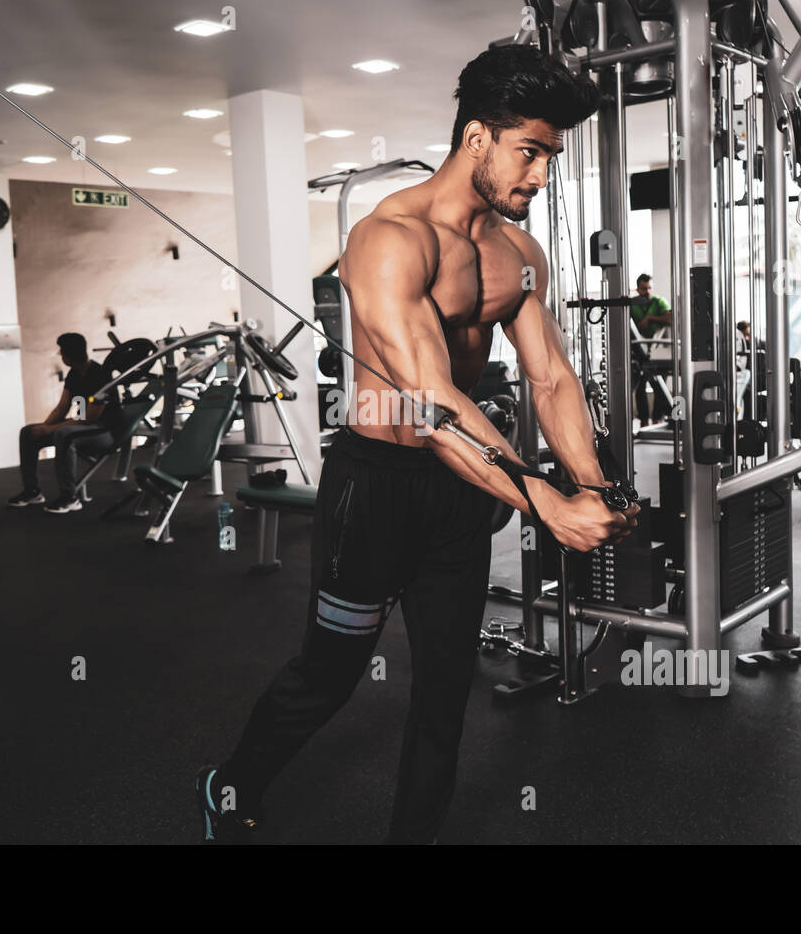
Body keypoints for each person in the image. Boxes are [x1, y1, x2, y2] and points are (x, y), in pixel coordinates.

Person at [196, 44, 638, 845]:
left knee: (444, 687)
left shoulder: (519, 257)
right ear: (478, 137)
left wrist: (594, 485)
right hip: (376, 487)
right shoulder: (388, 239)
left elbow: (551, 380)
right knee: (328, 677)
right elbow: (431, 405)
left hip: (458, 497)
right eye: (529, 152)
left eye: (549, 156)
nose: (540, 175)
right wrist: (544, 501)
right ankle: (230, 785)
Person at [7, 332, 121, 513]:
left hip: (104, 431)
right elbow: (62, 407)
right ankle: (32, 491)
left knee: (64, 434)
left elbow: (90, 417)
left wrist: (51, 429)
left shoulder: (101, 375)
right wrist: (43, 428)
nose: (60, 355)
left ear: (69, 355)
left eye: (62, 351)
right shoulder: (74, 374)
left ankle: (69, 498)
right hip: (85, 424)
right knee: (28, 432)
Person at [629, 273, 672, 425]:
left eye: (649, 288)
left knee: (659, 385)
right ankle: (644, 421)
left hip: (658, 350)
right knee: (640, 387)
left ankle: (656, 419)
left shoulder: (658, 302)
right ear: (637, 289)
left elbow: (670, 318)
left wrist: (650, 319)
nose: (647, 291)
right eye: (643, 289)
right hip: (638, 352)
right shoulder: (632, 304)